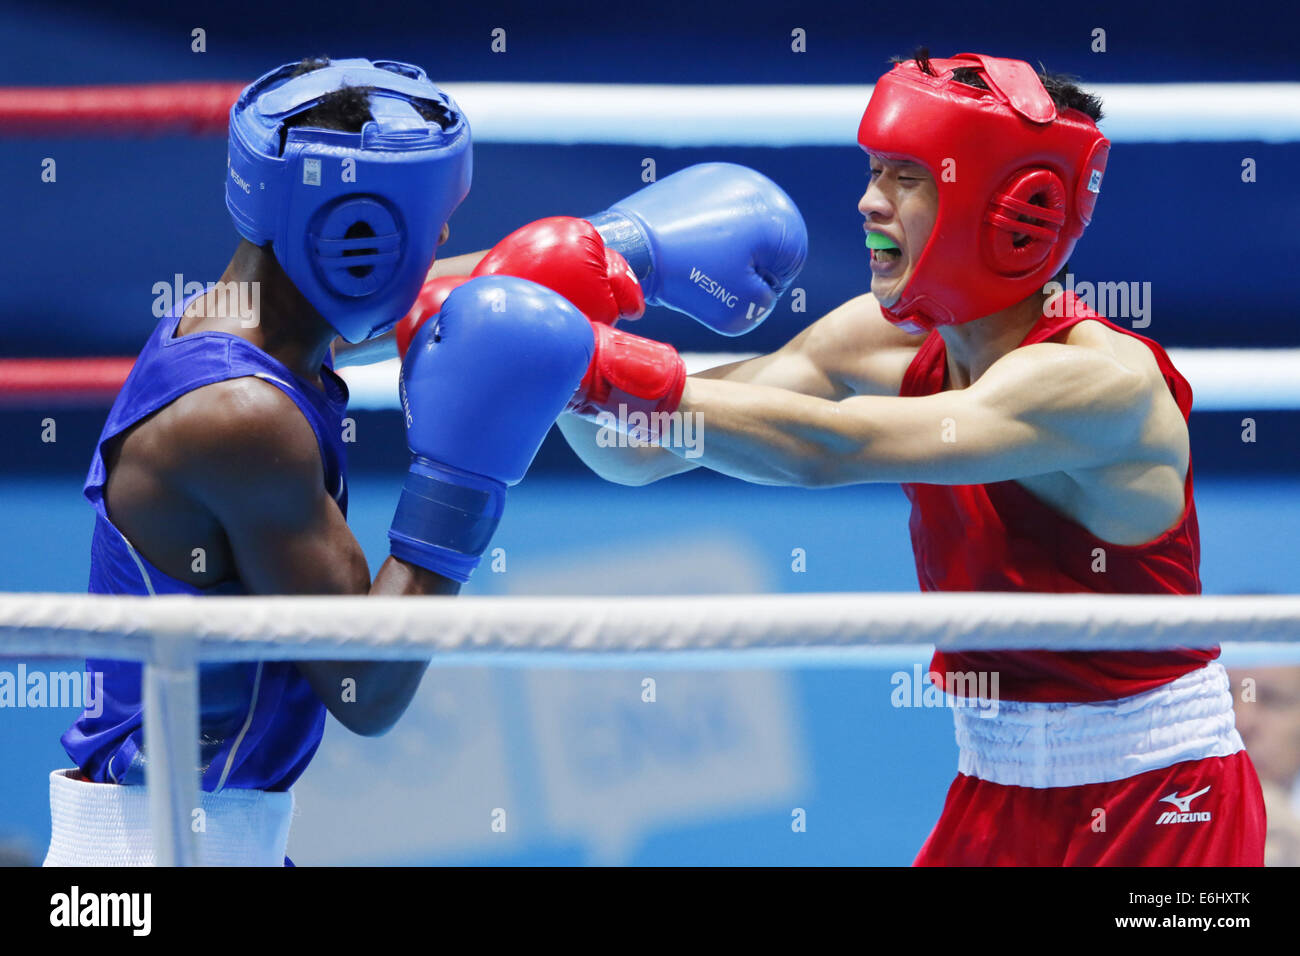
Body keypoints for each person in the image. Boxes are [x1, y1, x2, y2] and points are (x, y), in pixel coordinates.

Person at [554, 50, 1267, 866]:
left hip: (1163, 799)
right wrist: (583, 315)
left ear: (1009, 207)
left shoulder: (1099, 380)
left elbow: (831, 448)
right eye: (873, 171)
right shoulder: (880, 338)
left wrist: (595, 361)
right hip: (995, 787)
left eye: (906, 177)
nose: (867, 201)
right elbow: (632, 451)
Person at [47, 57, 595, 866]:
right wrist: (465, 477)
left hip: (195, 839)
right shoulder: (241, 418)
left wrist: (616, 249)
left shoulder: (230, 319)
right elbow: (365, 689)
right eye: (429, 219)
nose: (443, 237)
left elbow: (418, 295)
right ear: (356, 232)